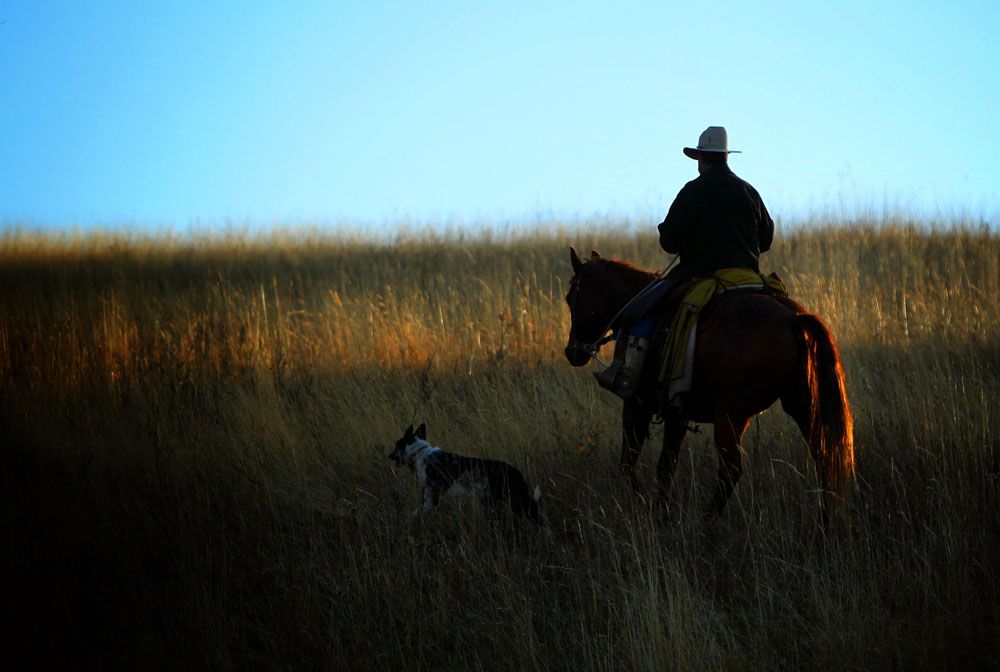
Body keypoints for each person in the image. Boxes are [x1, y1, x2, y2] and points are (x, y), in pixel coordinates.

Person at [595, 126, 774, 401]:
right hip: (747, 278)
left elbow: (669, 242)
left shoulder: (693, 190)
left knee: (642, 310)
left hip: (697, 277)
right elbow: (767, 238)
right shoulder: (749, 191)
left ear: (702, 158)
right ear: (726, 157)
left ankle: (628, 374)